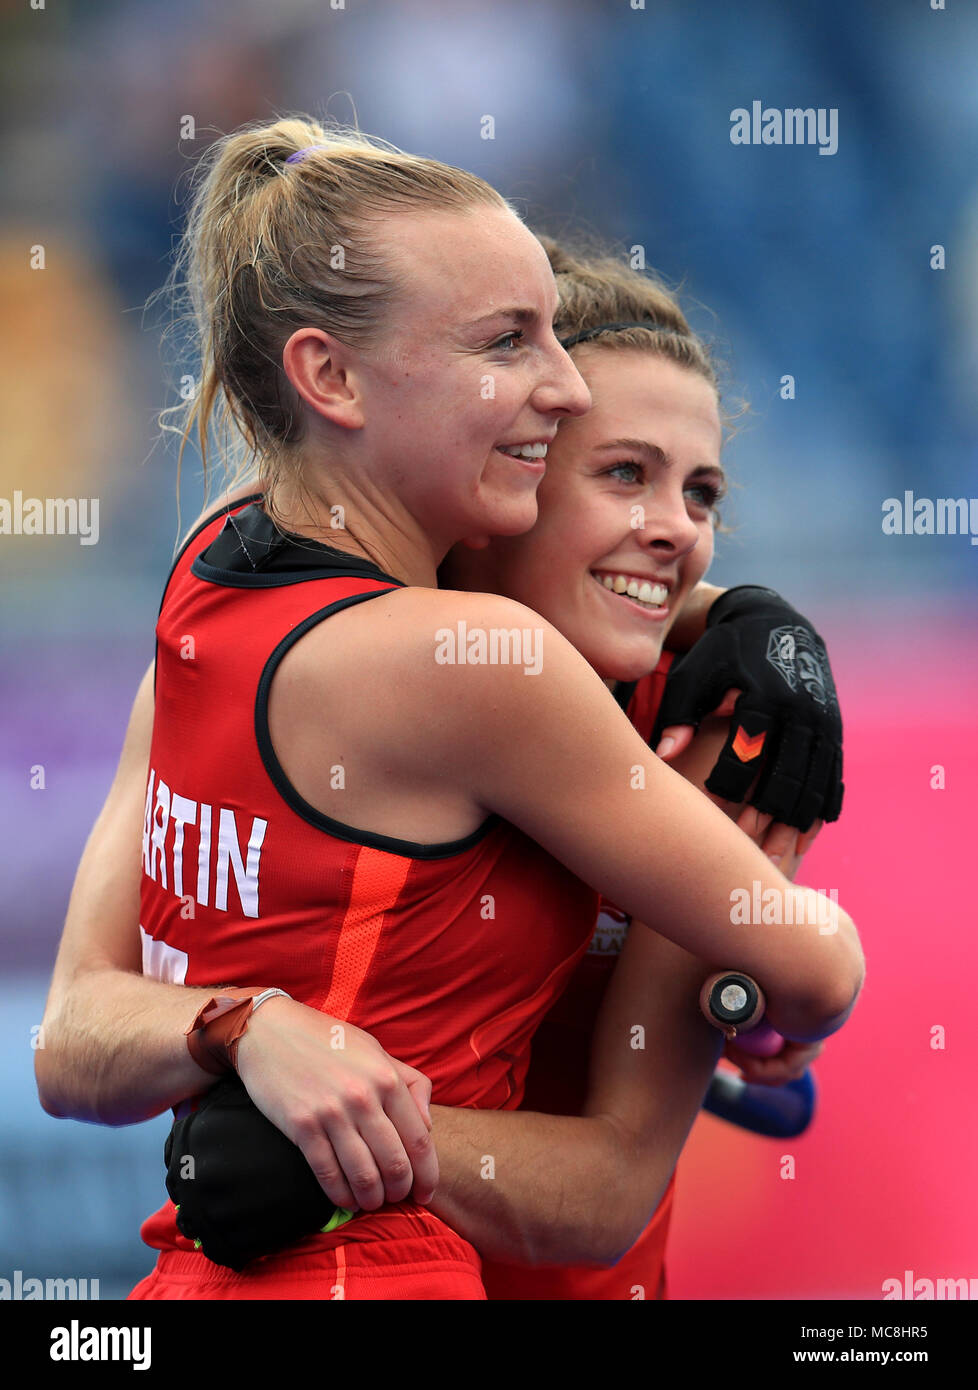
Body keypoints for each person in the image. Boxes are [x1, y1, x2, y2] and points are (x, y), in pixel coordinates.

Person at [35, 116, 863, 1300]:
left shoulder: (219, 567)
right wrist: (291, 1077)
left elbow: (70, 1042)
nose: (554, 388)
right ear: (331, 379)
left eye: (705, 493)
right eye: (617, 470)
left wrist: (262, 1051)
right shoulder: (496, 673)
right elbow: (807, 978)